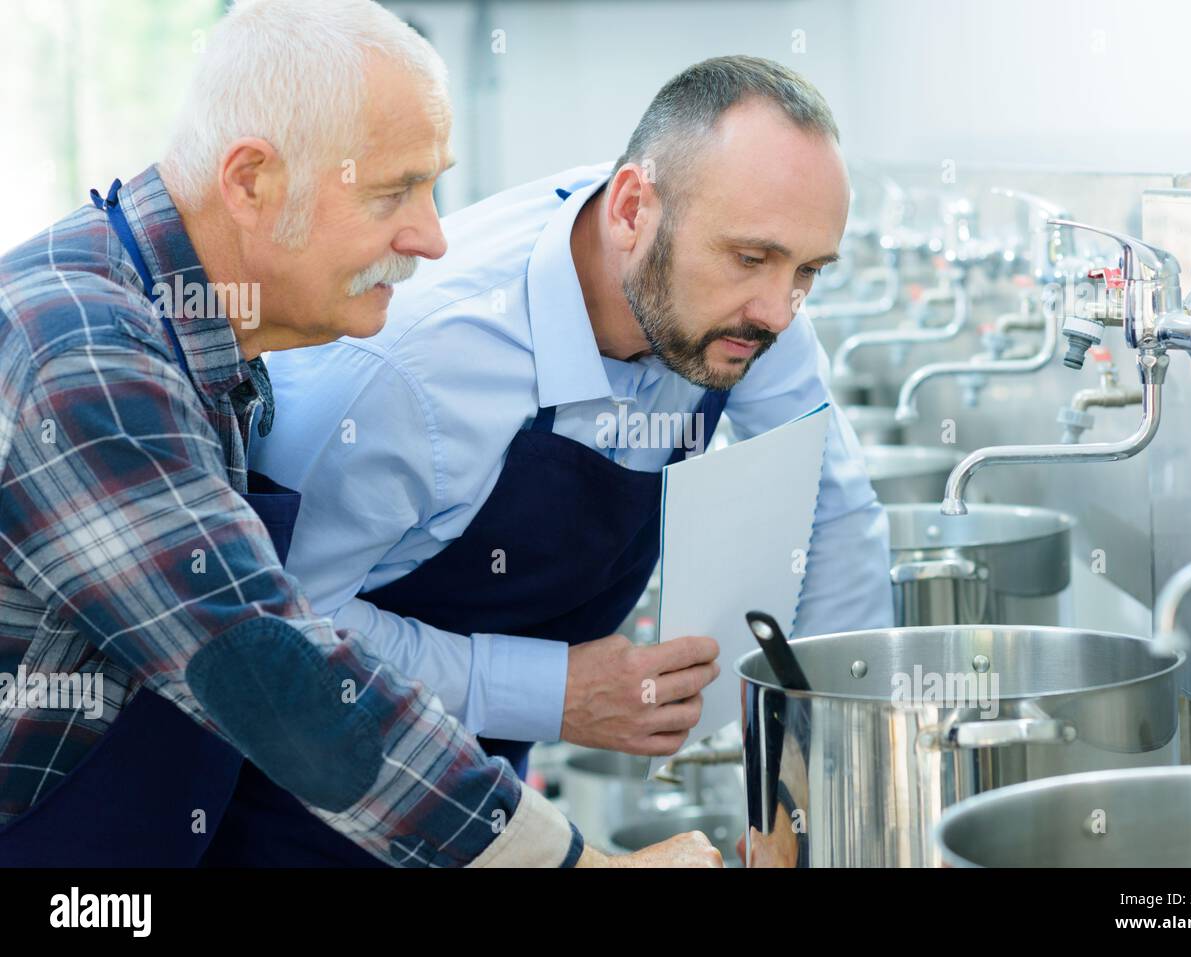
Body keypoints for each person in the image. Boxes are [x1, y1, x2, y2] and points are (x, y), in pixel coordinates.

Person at [0, 0, 719, 868]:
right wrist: (578, 866)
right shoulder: (85, 361)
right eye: (392, 193)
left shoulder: (201, 328)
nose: (433, 236)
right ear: (251, 182)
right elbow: (277, 680)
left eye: (432, 184)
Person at [251, 55, 893, 780]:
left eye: (809, 271)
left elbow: (831, 508)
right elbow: (285, 630)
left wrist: (821, 773)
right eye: (752, 258)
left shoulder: (745, 300)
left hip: (480, 776)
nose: (781, 310)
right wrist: (551, 693)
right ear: (629, 210)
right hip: (308, 778)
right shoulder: (408, 373)